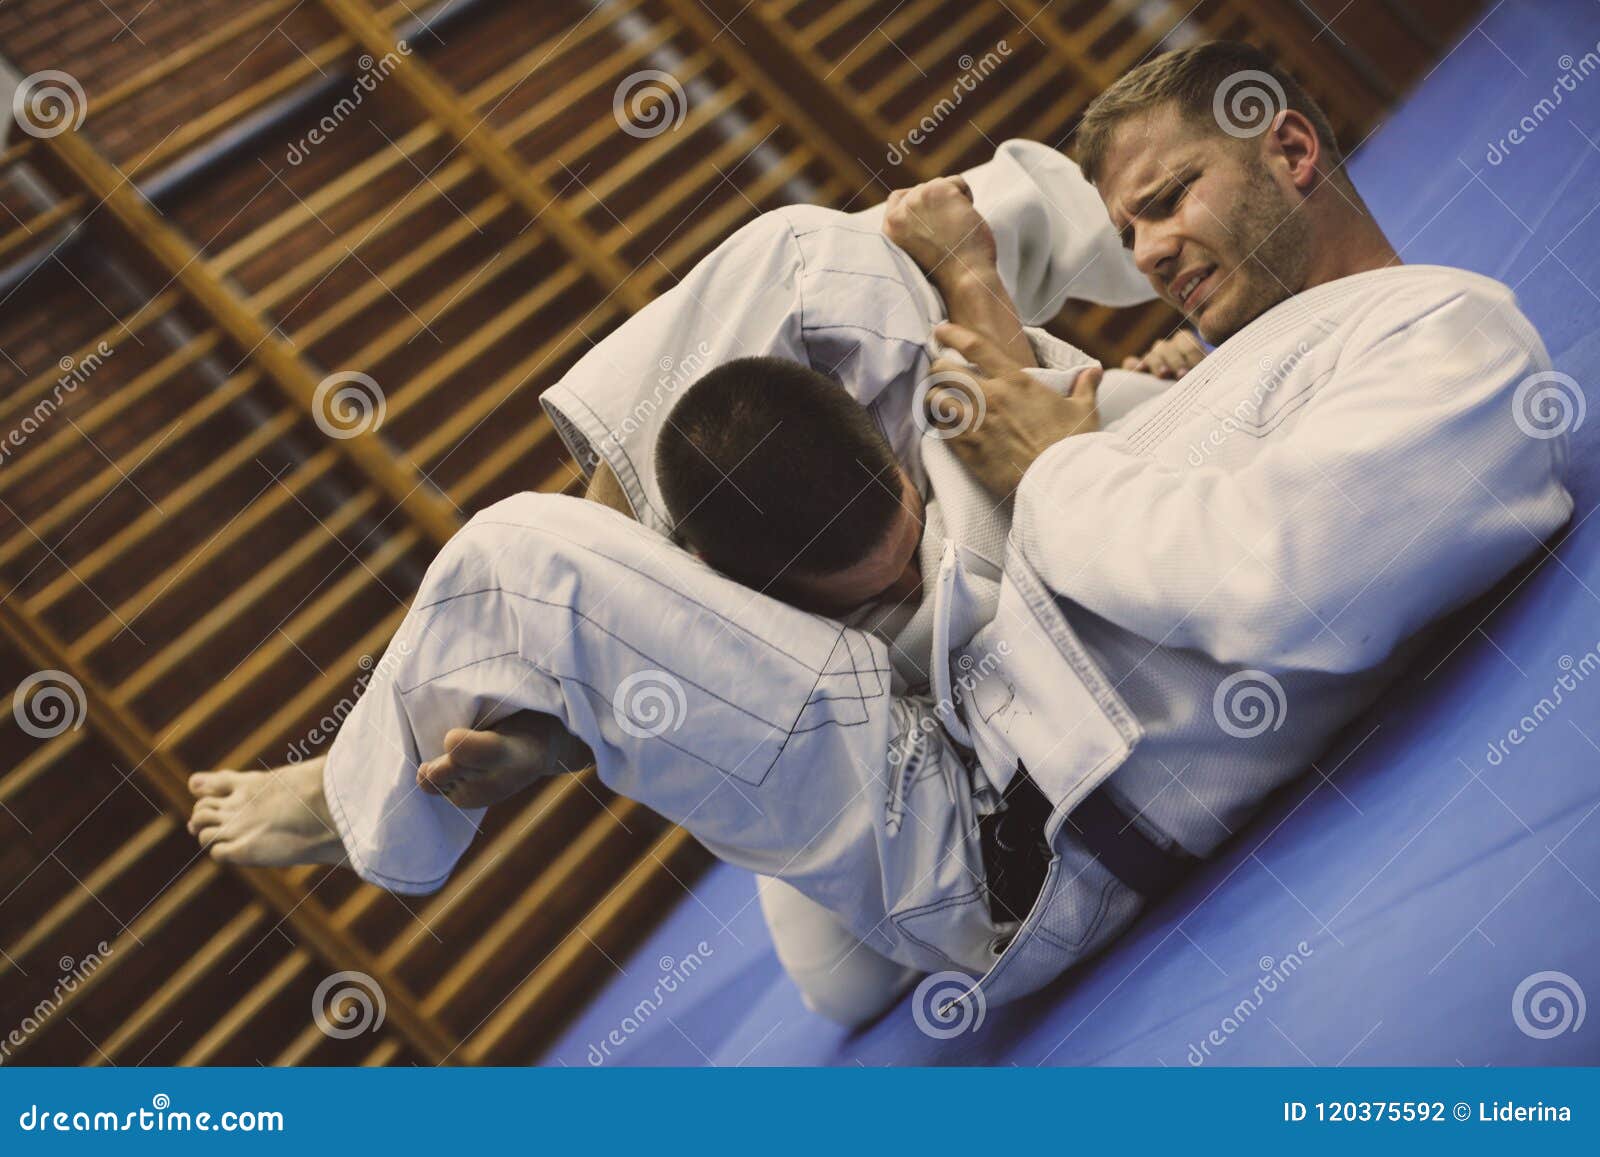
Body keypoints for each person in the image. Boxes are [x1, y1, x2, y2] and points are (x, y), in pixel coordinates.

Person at [191, 40, 1573, 1028]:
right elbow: (1114, 467)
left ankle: (388, 784)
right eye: (1131, 222)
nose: (1149, 248)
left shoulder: (1448, 334)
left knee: (513, 557)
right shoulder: (1223, 373)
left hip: (995, 816)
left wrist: (1040, 421)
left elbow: (1267, 584)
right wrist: (1057, 375)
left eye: (1172, 201)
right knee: (817, 258)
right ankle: (571, 693)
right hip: (970, 660)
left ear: (1291, 147)